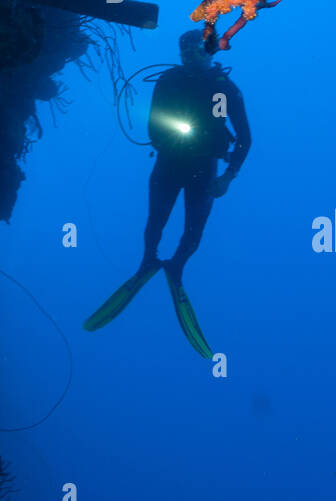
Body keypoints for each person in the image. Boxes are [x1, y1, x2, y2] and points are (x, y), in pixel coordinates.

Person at [84, 29, 251, 357]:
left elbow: (245, 137)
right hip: (169, 162)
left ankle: (177, 266)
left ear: (212, 51)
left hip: (205, 170)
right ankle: (148, 261)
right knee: (155, 220)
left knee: (194, 229)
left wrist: (230, 176)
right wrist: (170, 140)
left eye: (197, 49)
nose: (190, 55)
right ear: (179, 53)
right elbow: (152, 124)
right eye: (184, 49)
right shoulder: (168, 81)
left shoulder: (226, 90)